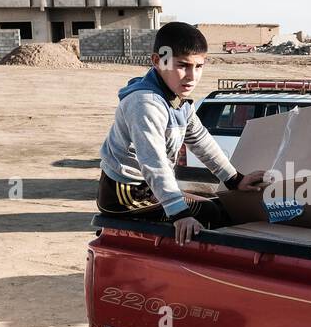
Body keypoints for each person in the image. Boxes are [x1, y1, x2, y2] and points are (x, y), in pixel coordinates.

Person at [98, 22, 263, 245]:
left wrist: (235, 179)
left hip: (149, 189)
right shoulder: (145, 103)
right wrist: (179, 214)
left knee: (219, 206)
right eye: (183, 65)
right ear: (158, 60)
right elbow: (152, 161)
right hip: (126, 194)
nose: (191, 76)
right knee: (211, 215)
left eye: (198, 66)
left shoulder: (177, 100)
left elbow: (200, 139)